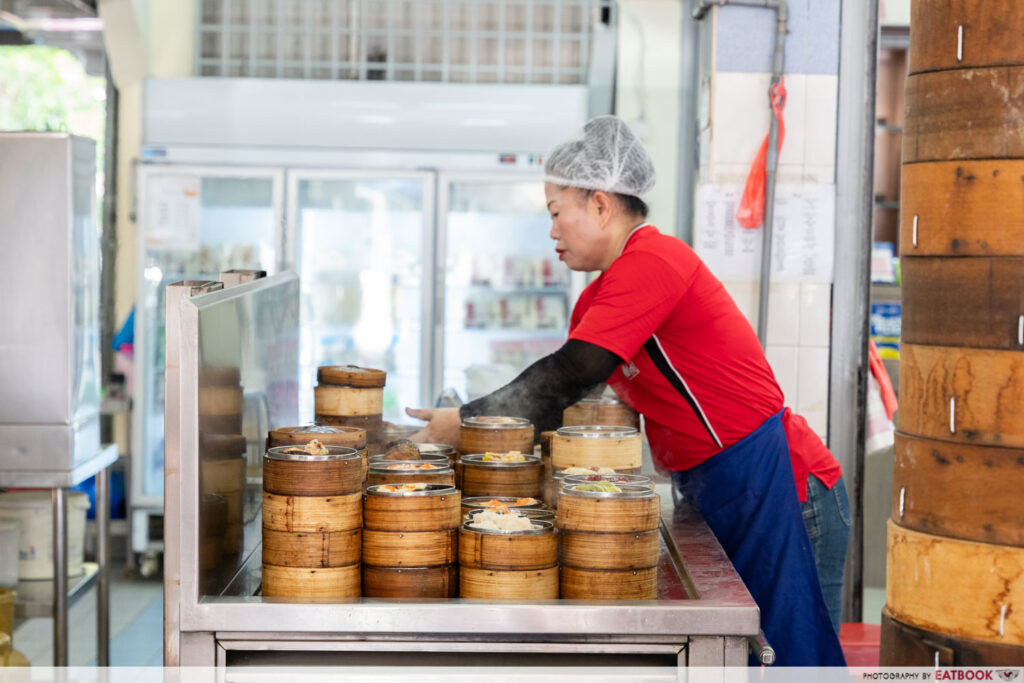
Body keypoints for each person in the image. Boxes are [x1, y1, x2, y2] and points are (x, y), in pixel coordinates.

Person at [408, 115, 848, 666]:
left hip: (778, 482)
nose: (551, 232)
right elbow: (571, 402)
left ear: (599, 204)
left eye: (555, 213)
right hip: (717, 486)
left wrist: (465, 423)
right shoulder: (597, 300)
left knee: (792, 663)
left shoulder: (654, 260)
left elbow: (569, 373)